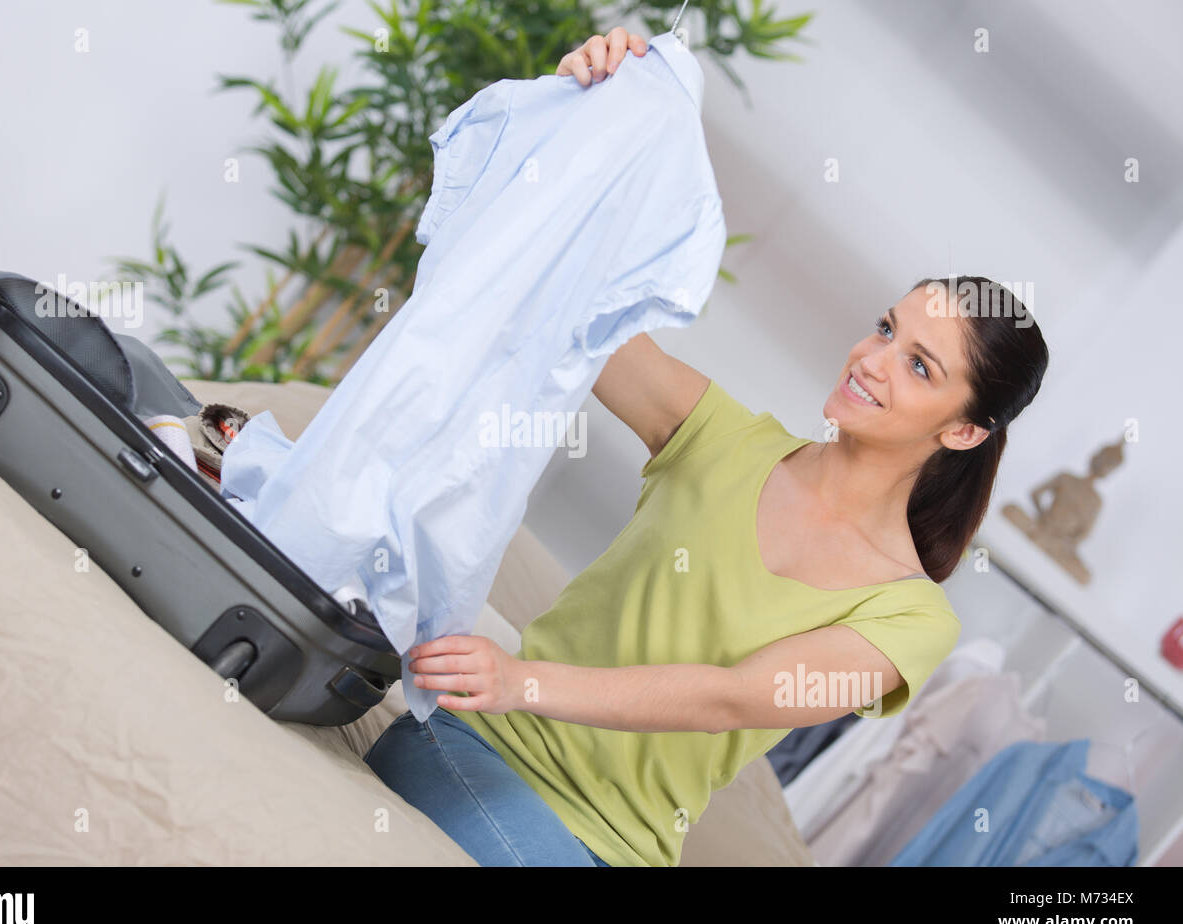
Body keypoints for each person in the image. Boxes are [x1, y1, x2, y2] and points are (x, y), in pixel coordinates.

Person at [363, 29, 1050, 867]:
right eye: (884, 328)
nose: (871, 361)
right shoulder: (717, 438)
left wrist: (523, 677)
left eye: (917, 364)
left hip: (619, 850)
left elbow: (730, 699)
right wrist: (589, 110)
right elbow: (568, 305)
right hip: (480, 751)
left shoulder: (910, 620)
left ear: (965, 430)